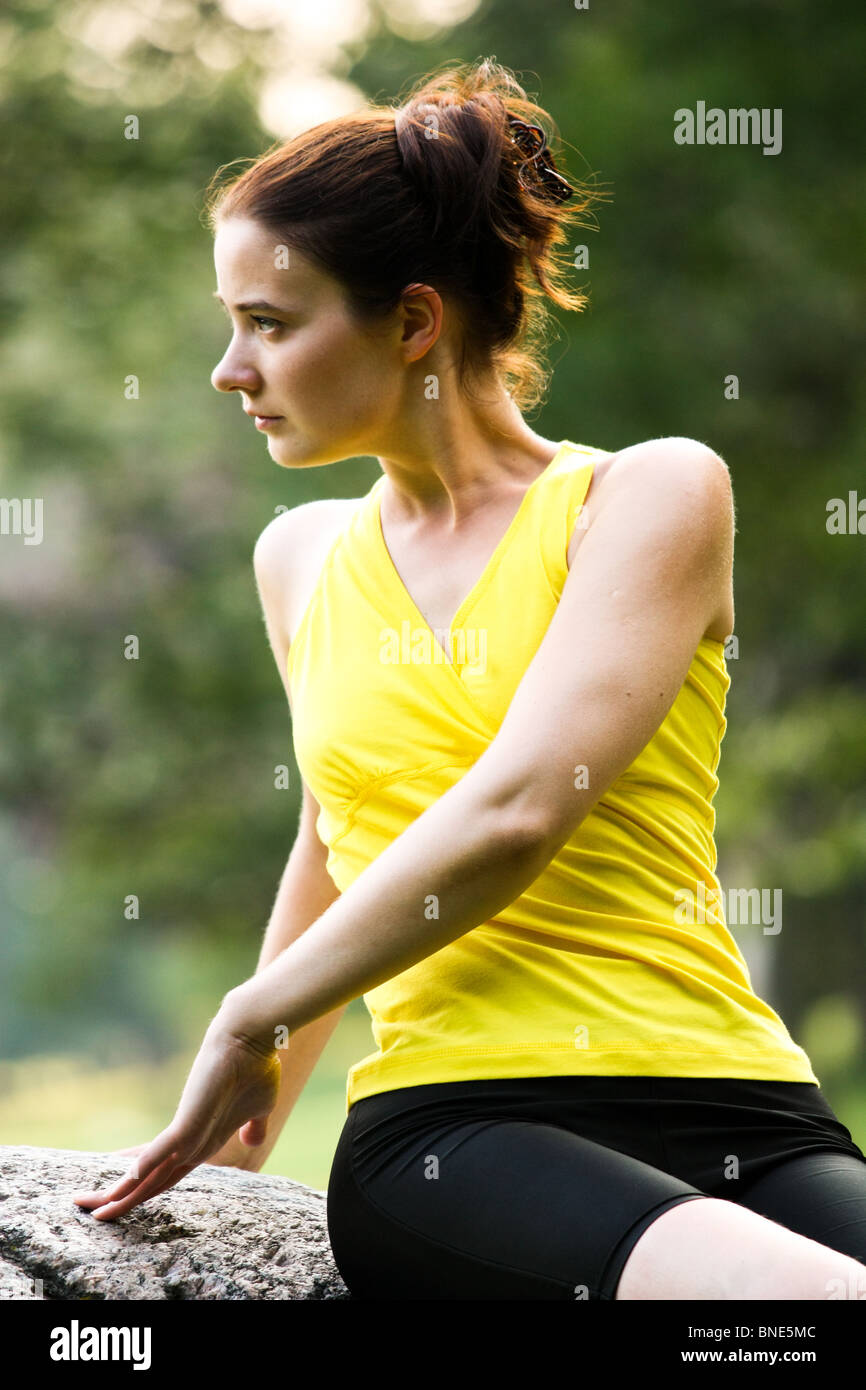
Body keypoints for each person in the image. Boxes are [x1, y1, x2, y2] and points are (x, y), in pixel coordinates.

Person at [72, 58, 866, 1300]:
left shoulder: (649, 493)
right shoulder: (301, 557)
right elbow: (338, 843)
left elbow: (520, 804)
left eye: (269, 324)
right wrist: (245, 1119)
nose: (231, 370)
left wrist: (256, 1010)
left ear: (412, 322)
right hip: (463, 1130)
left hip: (738, 1108)